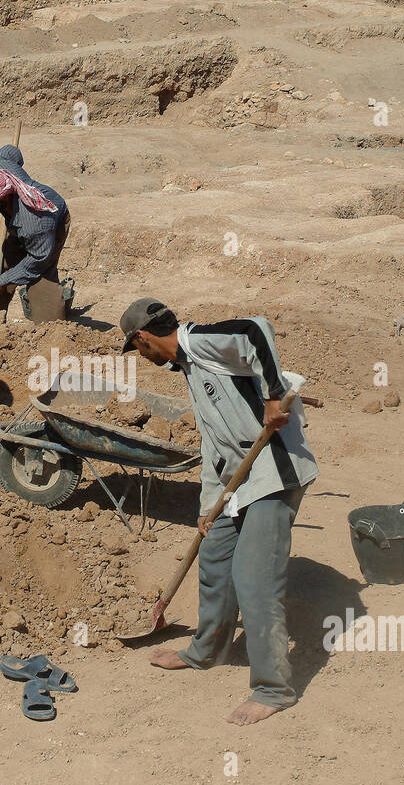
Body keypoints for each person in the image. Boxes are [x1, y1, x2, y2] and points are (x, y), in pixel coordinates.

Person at [120, 298, 319, 725]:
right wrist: (209, 506)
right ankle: (206, 650)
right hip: (238, 483)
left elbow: (255, 329)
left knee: (254, 577)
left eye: (136, 348)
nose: (141, 356)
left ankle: (273, 688)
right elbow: (214, 448)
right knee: (214, 557)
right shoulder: (191, 370)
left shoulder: (201, 342)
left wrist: (271, 396)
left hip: (275, 473)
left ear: (143, 338)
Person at [0, 145, 70, 322]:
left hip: (50, 224)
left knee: (41, 281)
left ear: (5, 198)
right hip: (17, 220)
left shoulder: (35, 223)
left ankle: (51, 331)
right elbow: (9, 151)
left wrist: (6, 280)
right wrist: (2, 279)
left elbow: (38, 259)